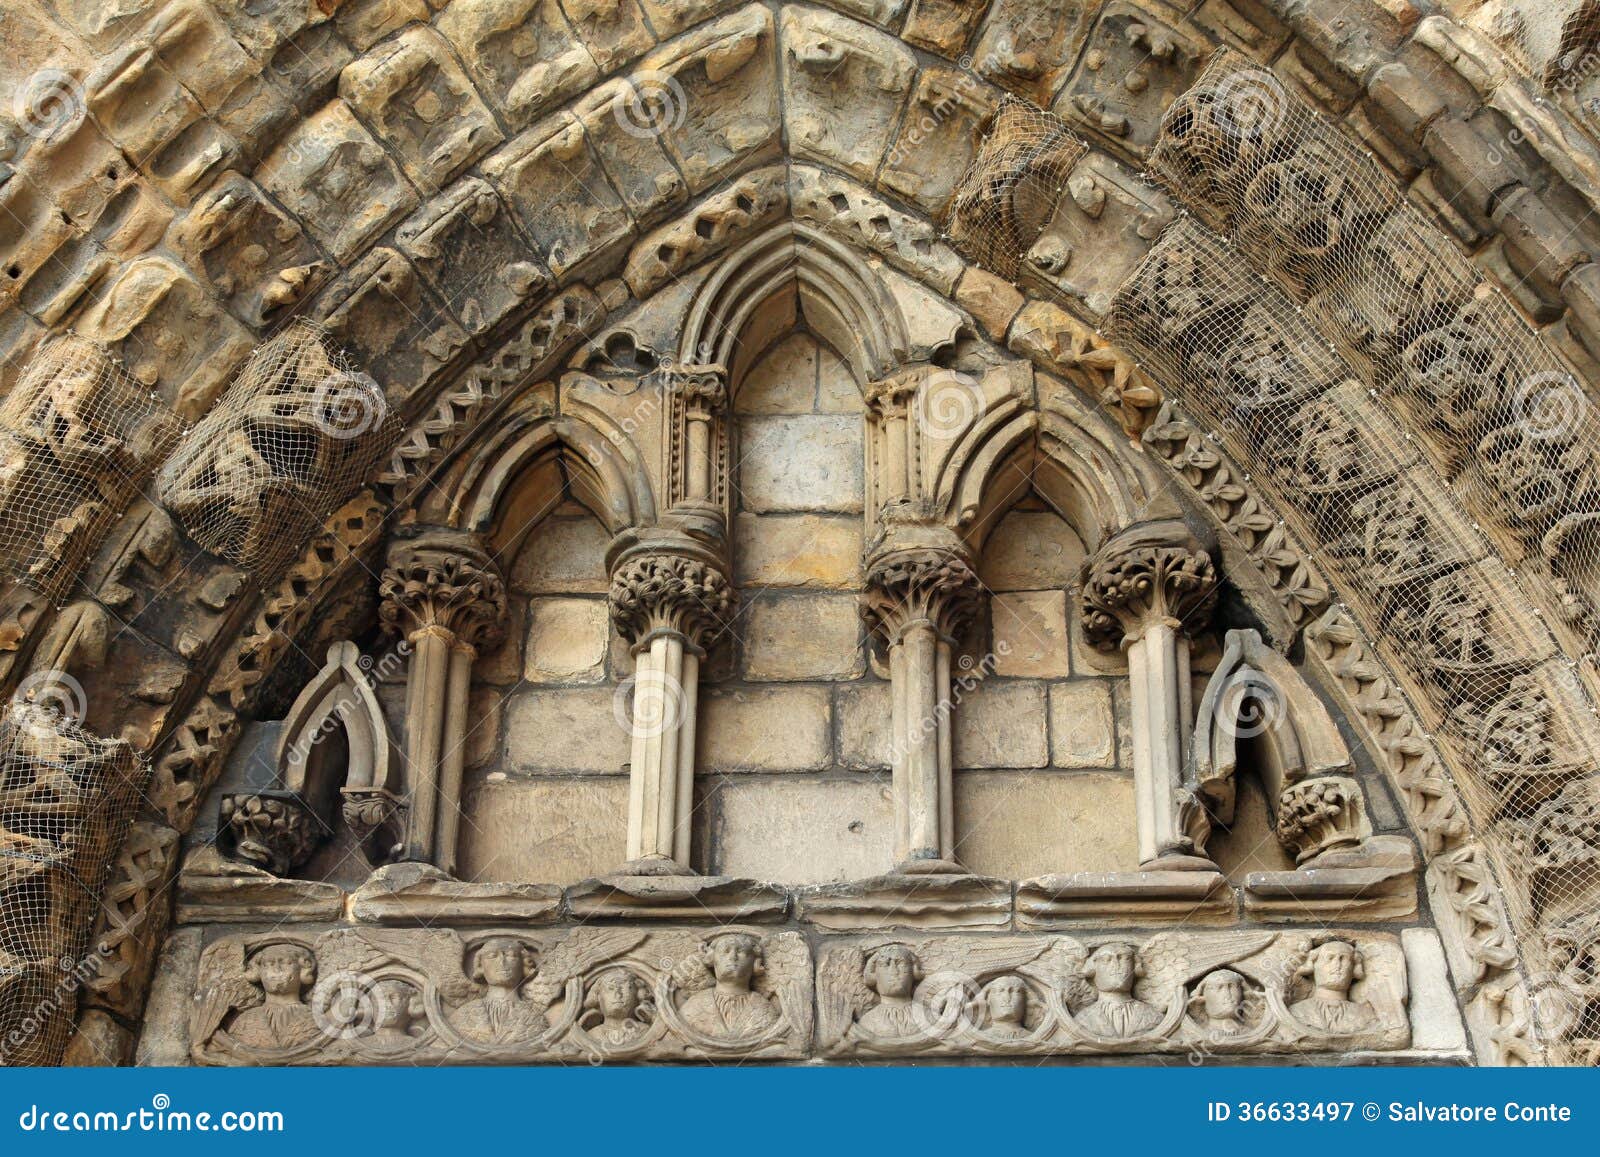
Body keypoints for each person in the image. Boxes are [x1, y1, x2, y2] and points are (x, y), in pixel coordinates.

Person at [679, 932, 779, 1038]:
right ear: (712, 960)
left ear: (755, 962)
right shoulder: (694, 1006)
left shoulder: (764, 1009)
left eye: (741, 952)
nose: (732, 957)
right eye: (725, 951)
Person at [453, 937, 548, 1044]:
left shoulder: (534, 1017)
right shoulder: (464, 1014)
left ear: (523, 965)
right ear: (481, 966)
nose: (502, 962)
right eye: (492, 956)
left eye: (511, 956)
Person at [230, 943, 321, 1049]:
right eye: (268, 964)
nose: (277, 970)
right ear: (258, 972)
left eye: (287, 963)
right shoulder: (243, 1021)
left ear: (303, 970)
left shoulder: (316, 1019)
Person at [1075, 942, 1161, 1039]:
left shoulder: (1152, 1015)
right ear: (1092, 970)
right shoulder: (1083, 1019)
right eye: (1106, 959)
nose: (1116, 965)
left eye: (1125, 958)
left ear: (1135, 968)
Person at [1289, 939, 1375, 1034]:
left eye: (1343, 958)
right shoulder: (1297, 1011)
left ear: (1354, 969)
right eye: (1330, 958)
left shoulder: (1365, 1015)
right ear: (1313, 966)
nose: (1337, 965)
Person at [857, 944, 925, 1038]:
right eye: (885, 964)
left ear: (914, 972)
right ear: (873, 974)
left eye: (901, 963)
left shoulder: (928, 1016)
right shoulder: (868, 1022)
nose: (894, 971)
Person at [583, 968, 653, 1048]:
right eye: (611, 988)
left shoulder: (645, 1032)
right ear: (598, 997)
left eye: (625, 988)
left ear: (637, 996)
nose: (618, 994)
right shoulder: (593, 1035)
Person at [1187, 969, 1252, 1038]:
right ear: (1202, 998)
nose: (1227, 994)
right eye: (1219, 988)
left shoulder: (1251, 1032)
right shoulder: (1198, 1033)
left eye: (1231, 986)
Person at [979, 975, 1031, 1041]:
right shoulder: (980, 1037)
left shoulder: (1032, 1037)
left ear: (1025, 1000)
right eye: (1000, 991)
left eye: (1015, 991)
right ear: (988, 1000)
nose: (1007, 998)